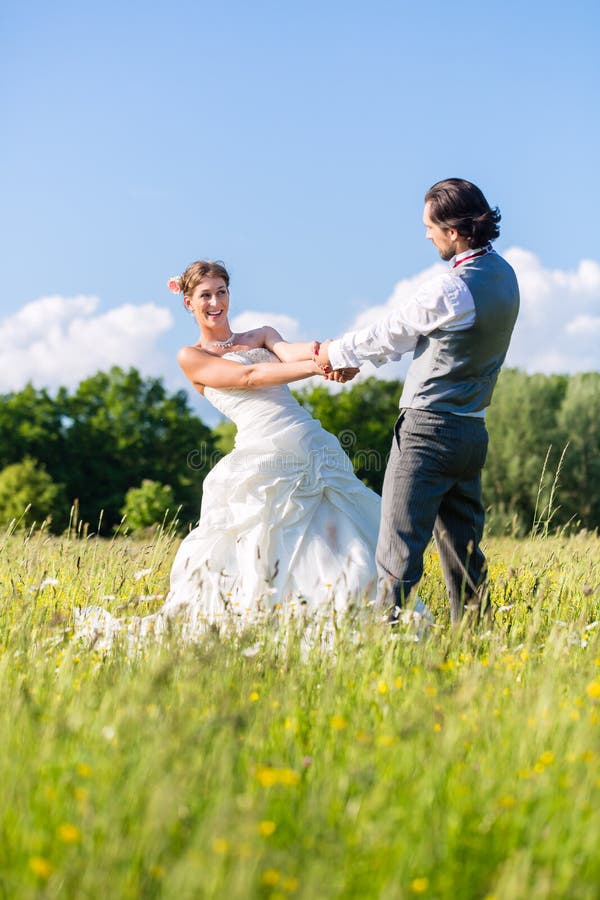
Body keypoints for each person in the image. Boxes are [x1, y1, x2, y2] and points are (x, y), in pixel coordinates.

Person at [77, 260, 380, 643]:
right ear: (188, 302)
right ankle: (275, 621)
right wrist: (319, 368)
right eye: (205, 295)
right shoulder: (191, 357)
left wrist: (336, 354)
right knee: (269, 541)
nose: (215, 302)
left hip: (310, 444)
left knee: (340, 540)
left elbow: (299, 351)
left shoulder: (262, 335)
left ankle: (353, 615)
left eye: (221, 292)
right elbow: (248, 377)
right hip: (265, 455)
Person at [315, 179, 520, 624]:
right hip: (472, 431)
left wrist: (333, 353)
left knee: (398, 551)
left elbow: (390, 332)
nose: (426, 235)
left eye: (430, 227)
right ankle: (477, 641)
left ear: (453, 232)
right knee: (465, 555)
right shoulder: (505, 276)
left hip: (427, 432)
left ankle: (387, 644)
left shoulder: (451, 289)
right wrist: (350, 360)